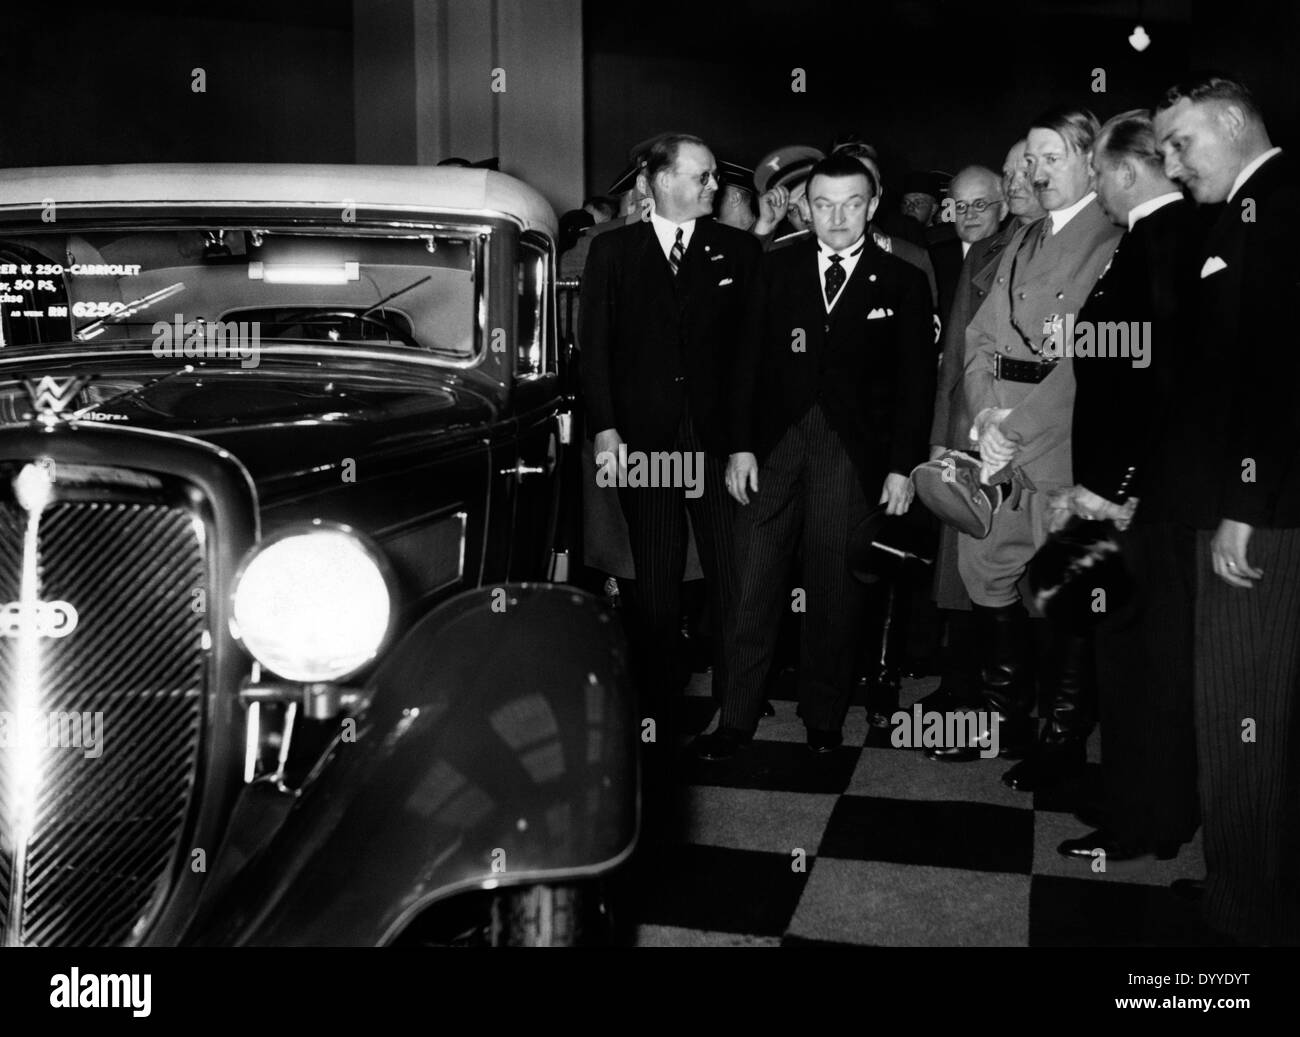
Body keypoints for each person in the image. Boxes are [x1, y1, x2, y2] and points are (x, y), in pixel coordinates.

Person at [693, 153, 934, 760]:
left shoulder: (902, 277)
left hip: (851, 454)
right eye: (823, 203)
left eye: (852, 203)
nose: (837, 216)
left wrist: (903, 466)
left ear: (872, 206)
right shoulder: (772, 268)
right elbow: (741, 365)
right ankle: (736, 717)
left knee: (836, 587)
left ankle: (824, 717)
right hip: (773, 446)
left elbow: (915, 386)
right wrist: (739, 447)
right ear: (805, 207)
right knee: (752, 583)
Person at [1154, 74, 1300, 945]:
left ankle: (1244, 922)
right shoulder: (1258, 206)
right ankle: (1250, 890)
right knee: (1254, 715)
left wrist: (1242, 503)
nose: (1172, 163)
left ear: (1237, 123)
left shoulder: (1277, 207)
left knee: (1242, 711)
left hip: (1266, 514)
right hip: (1256, 499)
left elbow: (1281, 371)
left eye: (1182, 143)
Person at [1050, 109, 1206, 863]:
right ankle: (1148, 807)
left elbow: (1172, 385)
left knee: (1142, 664)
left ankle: (1145, 821)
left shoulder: (1164, 242)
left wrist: (1119, 487)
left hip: (1139, 498)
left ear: (1121, 169)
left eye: (1099, 172)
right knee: (1131, 657)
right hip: (1125, 487)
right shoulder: (1146, 241)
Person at [579, 132, 763, 750]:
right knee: (654, 587)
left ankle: (734, 711)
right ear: (659, 180)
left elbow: (748, 359)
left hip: (715, 447)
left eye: (713, 177)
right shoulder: (613, 252)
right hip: (645, 447)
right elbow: (594, 351)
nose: (715, 186)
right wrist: (605, 431)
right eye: (702, 176)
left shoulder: (738, 250)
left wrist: (743, 445)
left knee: (731, 578)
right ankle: (656, 708)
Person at [958, 106, 1121, 786]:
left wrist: (1012, 432)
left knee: (1064, 595)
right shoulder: (1022, 238)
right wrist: (984, 419)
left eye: (1051, 156)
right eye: (1030, 159)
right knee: (985, 571)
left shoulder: (1114, 239)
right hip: (1000, 439)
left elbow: (1086, 364)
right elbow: (980, 340)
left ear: (1090, 159)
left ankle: (1061, 740)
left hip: (1060, 448)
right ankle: (1008, 719)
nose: (1035, 170)